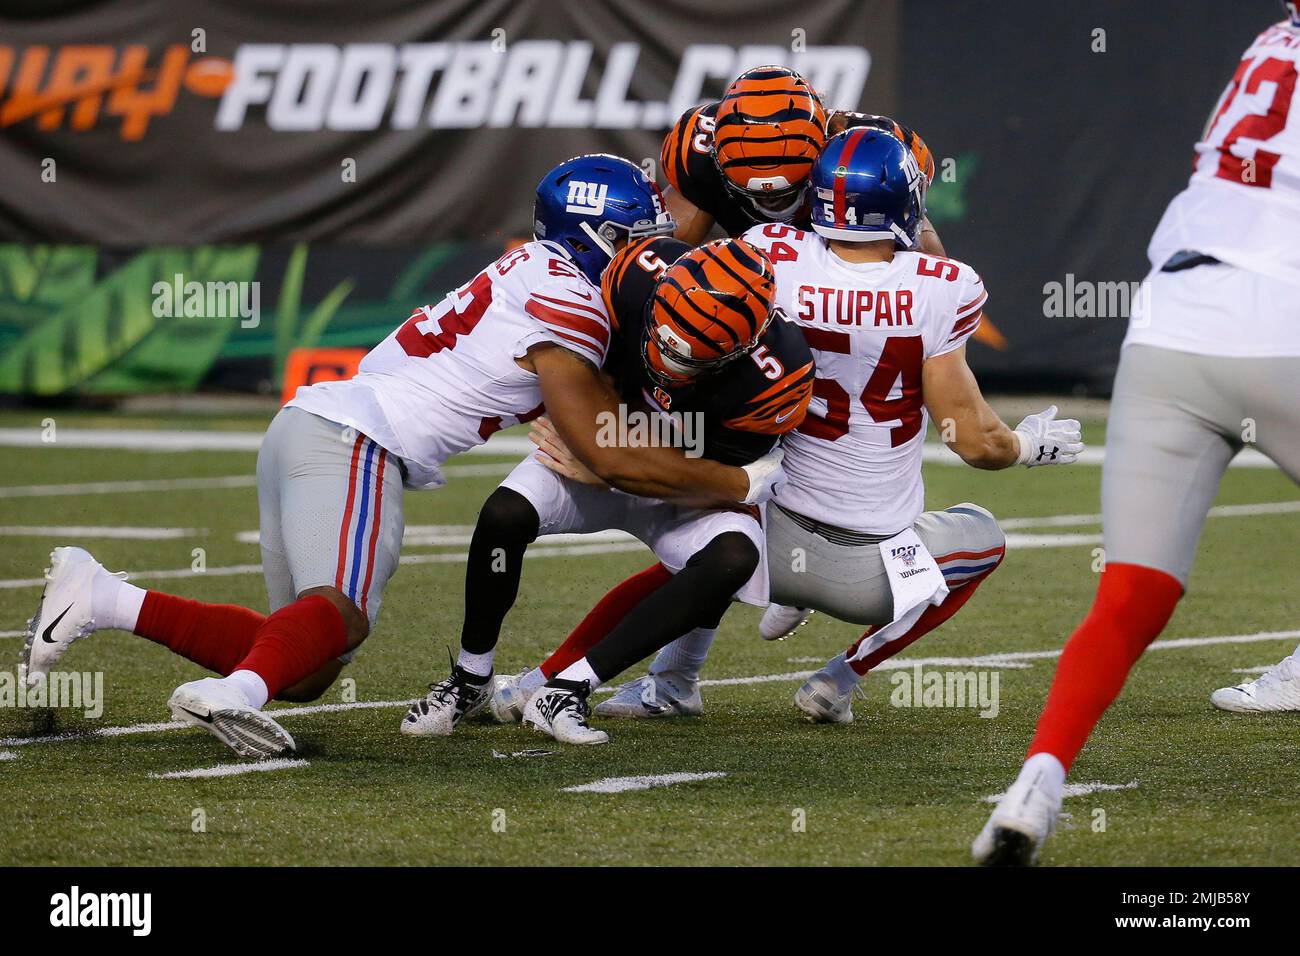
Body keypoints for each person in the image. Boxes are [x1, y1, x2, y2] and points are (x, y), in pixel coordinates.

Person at [21, 154, 783, 759]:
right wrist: (734, 478)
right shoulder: (572, 302)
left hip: (310, 430)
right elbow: (607, 453)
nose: (649, 254)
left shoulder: (535, 269)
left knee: (313, 661)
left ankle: (104, 597)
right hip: (357, 442)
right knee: (338, 618)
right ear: (596, 238)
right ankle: (236, 695)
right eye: (634, 238)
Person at [512, 130, 1082, 725]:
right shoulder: (943, 287)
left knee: (703, 563)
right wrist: (1024, 446)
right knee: (982, 534)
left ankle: (581, 681)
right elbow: (971, 440)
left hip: (761, 527)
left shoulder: (770, 254)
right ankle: (839, 679)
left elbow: (670, 300)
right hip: (866, 572)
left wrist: (609, 433)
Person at [975, 5, 1300, 865]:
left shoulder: (1268, 45)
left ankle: (1034, 786)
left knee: (1131, 595)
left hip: (1169, 325)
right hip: (1283, 325)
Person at [401, 234, 814, 744]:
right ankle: (470, 677)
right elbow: (582, 367)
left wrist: (613, 458)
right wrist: (603, 448)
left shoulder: (778, 376)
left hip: (677, 485)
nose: (668, 361)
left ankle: (570, 688)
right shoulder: (633, 277)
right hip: (607, 451)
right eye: (661, 340)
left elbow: (725, 481)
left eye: (691, 361)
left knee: (733, 556)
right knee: (504, 514)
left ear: (742, 349)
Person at [661, 64, 943, 252]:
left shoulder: (863, 155)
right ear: (717, 155)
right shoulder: (697, 158)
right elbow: (658, 259)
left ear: (821, 147)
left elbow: (928, 268)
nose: (773, 204)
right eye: (756, 196)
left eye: (787, 194)